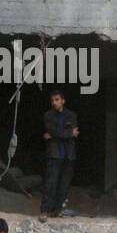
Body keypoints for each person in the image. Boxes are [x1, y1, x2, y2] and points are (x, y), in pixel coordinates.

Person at [40, 89, 78, 218]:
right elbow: (52, 130)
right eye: (52, 100)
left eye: (57, 100)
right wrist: (68, 133)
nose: (54, 103)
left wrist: (54, 135)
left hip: (69, 155)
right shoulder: (48, 115)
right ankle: (45, 211)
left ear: (63, 101)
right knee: (51, 183)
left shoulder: (71, 115)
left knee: (64, 184)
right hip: (54, 154)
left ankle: (57, 210)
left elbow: (57, 133)